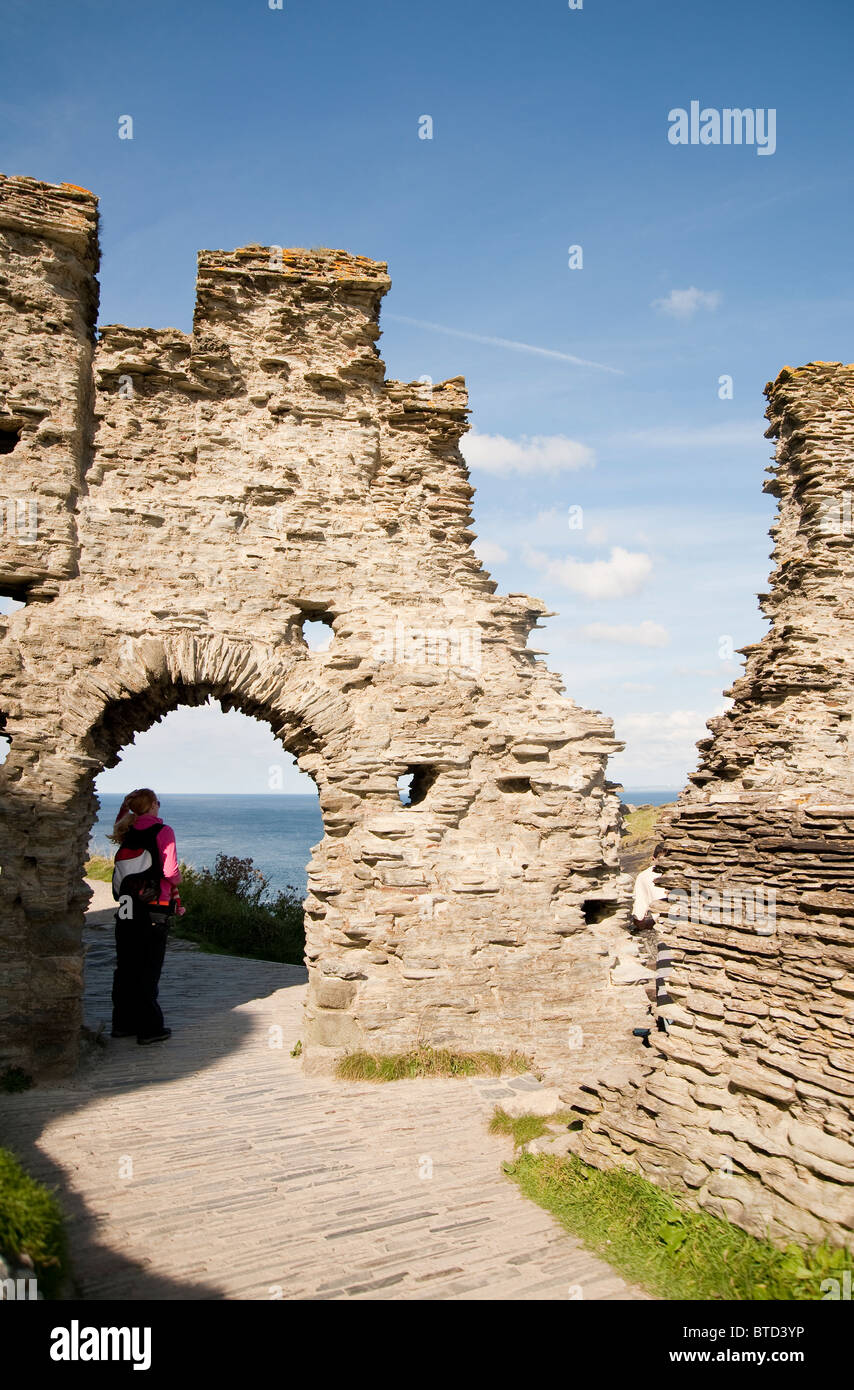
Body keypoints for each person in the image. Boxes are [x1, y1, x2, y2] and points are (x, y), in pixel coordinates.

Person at [108, 788, 183, 1045]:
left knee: (126, 966)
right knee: (148, 968)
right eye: (157, 803)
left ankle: (122, 1024)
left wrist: (125, 806)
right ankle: (150, 1029)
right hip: (154, 906)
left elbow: (119, 822)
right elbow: (170, 871)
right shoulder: (163, 831)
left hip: (127, 906)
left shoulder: (126, 831)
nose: (158, 806)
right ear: (152, 805)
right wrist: (177, 881)